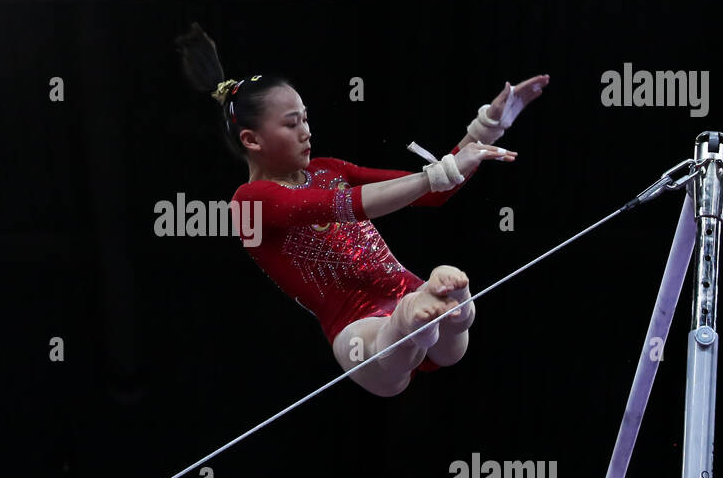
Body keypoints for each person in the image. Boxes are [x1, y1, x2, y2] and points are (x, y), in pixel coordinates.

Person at [174, 22, 548, 397]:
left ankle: (442, 304)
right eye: (292, 124)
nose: (306, 131)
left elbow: (429, 191)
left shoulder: (328, 169)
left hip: (409, 289)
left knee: (454, 328)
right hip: (356, 326)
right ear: (251, 140)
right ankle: (409, 320)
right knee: (386, 356)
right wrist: (438, 174)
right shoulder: (251, 200)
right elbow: (344, 206)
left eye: (305, 118)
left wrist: (487, 128)